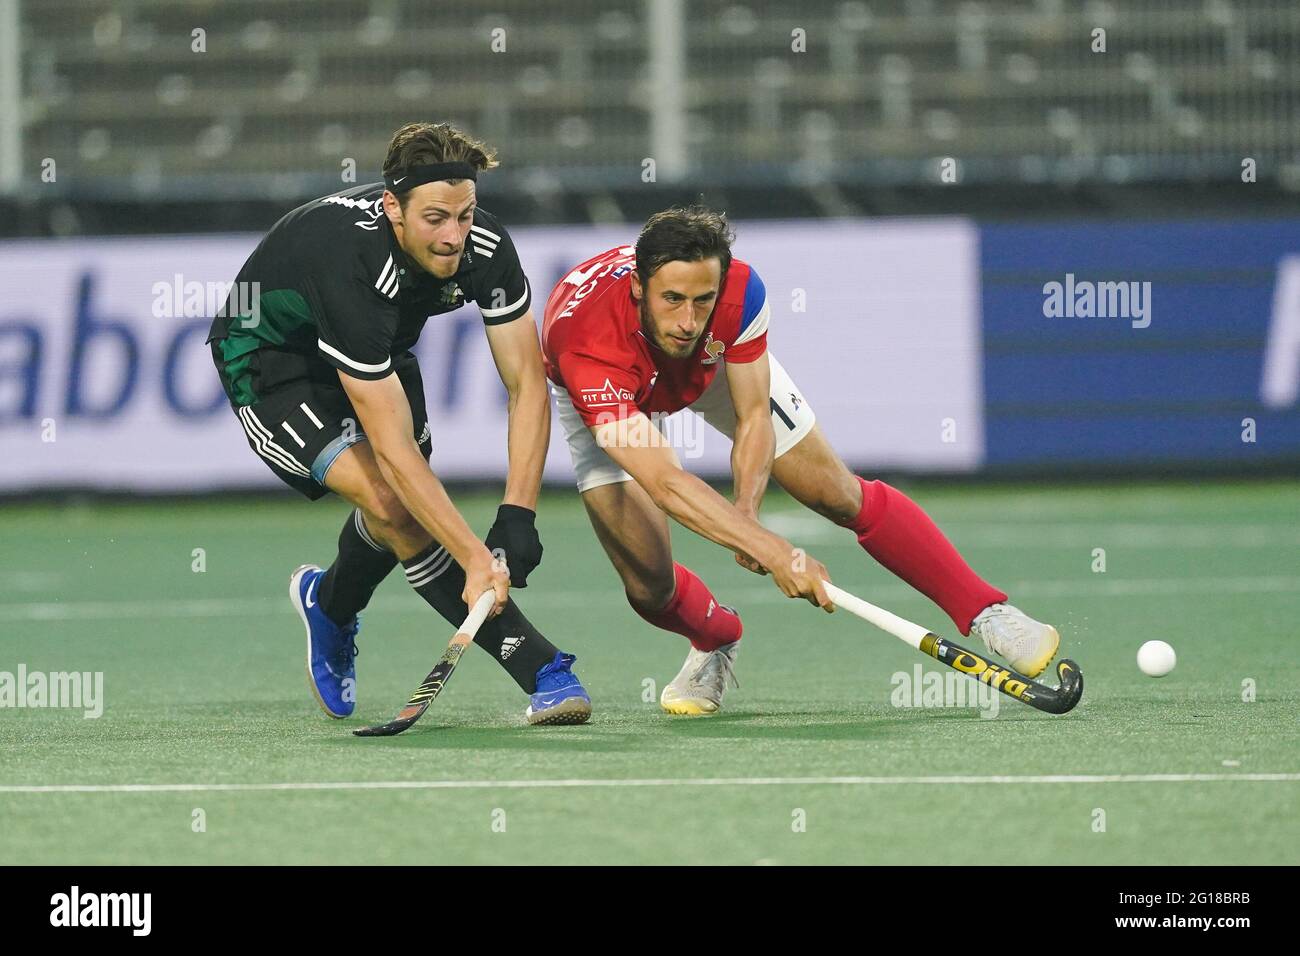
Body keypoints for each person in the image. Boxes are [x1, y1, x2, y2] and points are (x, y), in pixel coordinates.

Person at [541, 206, 1059, 715]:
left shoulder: (739, 294)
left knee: (834, 491)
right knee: (647, 582)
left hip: (709, 367)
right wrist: (774, 551)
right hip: (614, 387)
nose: (687, 321)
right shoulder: (587, 345)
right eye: (672, 300)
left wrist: (746, 513)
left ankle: (989, 612)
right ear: (639, 288)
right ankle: (716, 637)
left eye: (702, 301)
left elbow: (753, 419)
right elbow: (666, 483)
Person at [206, 121, 590, 726]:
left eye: (464, 215)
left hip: (375, 352)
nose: (454, 236)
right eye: (436, 218)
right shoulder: (348, 261)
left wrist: (518, 513)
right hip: (271, 362)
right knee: (395, 502)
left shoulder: (485, 246)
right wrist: (472, 557)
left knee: (403, 508)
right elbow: (393, 452)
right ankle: (541, 667)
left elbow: (526, 384)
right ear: (393, 208)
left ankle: (328, 603)